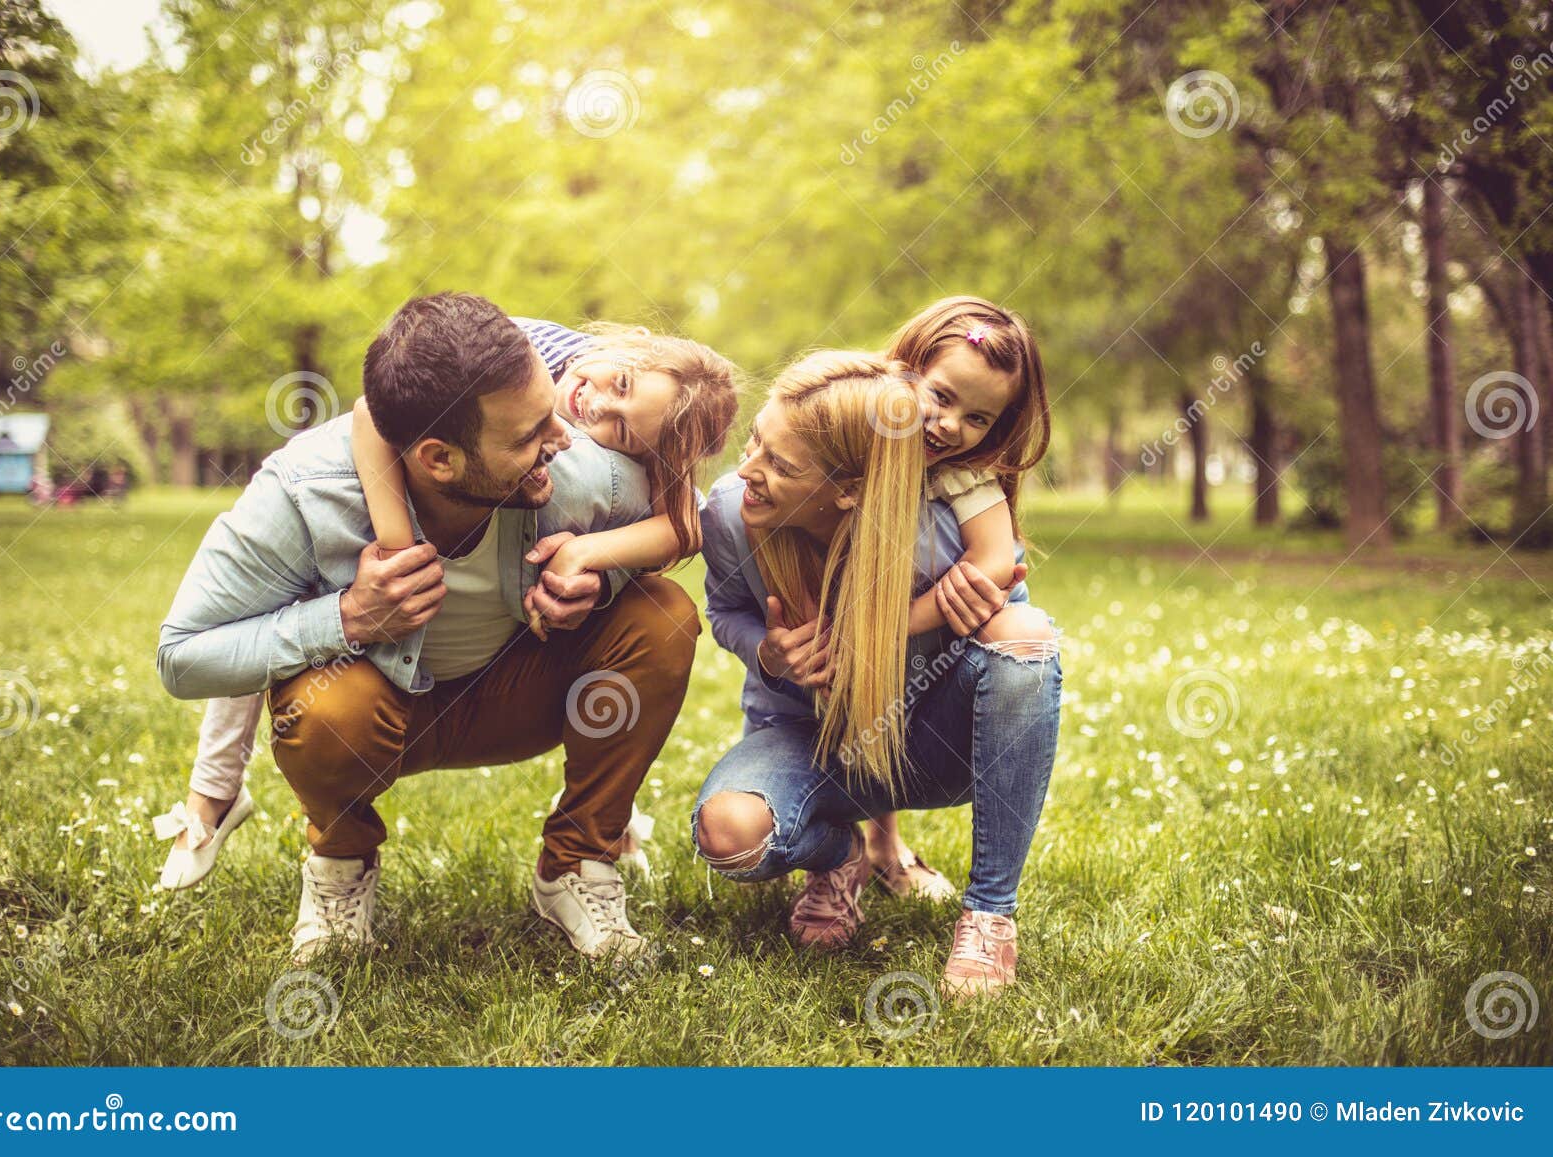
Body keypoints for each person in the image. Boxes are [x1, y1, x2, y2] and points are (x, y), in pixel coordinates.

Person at [157, 292, 705, 964]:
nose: (563, 439)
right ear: (438, 459)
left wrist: (594, 579)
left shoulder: (570, 463)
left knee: (663, 615)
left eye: (550, 416)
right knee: (324, 706)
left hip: (516, 694)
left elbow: (684, 520)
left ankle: (577, 864)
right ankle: (339, 865)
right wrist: (345, 617)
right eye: (530, 436)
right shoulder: (305, 490)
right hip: (378, 709)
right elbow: (181, 657)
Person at [692, 350, 1062, 999]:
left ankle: (989, 913)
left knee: (1026, 634)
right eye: (755, 442)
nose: (747, 469)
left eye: (780, 464)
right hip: (810, 744)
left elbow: (1019, 649)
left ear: (849, 488)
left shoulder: (941, 538)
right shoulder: (730, 512)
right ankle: (841, 857)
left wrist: (927, 621)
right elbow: (723, 610)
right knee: (730, 837)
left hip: (924, 746)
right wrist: (768, 652)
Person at [863, 295, 1054, 902]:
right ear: (902, 368)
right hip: (840, 667)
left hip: (936, 661)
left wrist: (899, 623)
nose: (950, 426)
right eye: (941, 397)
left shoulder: (960, 472)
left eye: (978, 419)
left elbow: (996, 560)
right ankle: (860, 849)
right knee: (859, 709)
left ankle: (980, 901)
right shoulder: (849, 443)